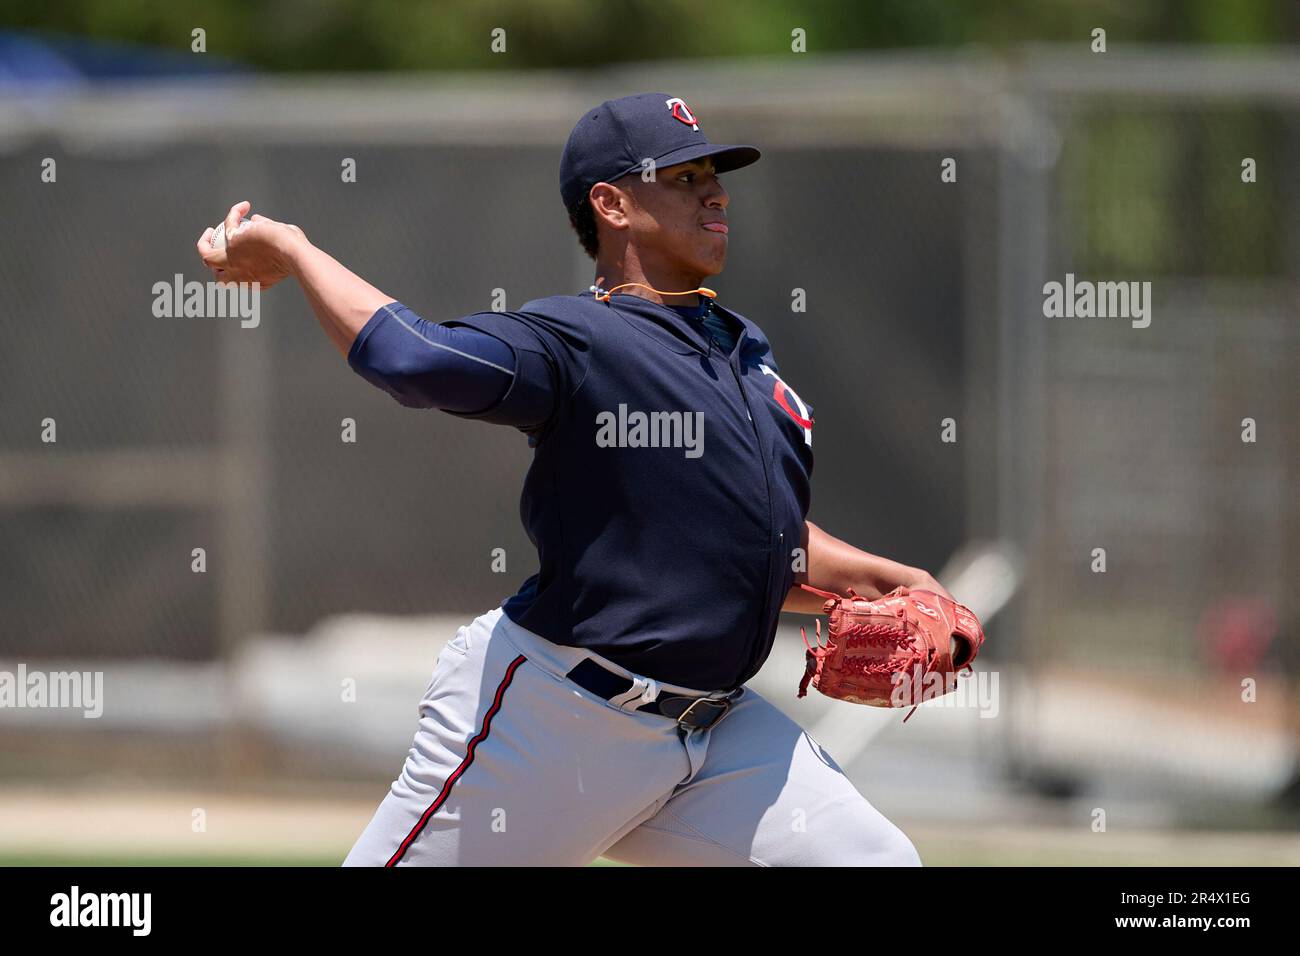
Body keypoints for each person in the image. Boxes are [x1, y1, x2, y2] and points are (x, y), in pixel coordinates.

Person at [197, 92, 953, 866]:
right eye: (686, 176)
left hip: (718, 737)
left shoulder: (748, 362)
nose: (715, 192)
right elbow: (414, 358)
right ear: (611, 203)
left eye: (714, 176)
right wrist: (294, 251)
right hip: (560, 720)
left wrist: (881, 577)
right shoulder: (579, 339)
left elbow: (748, 534)